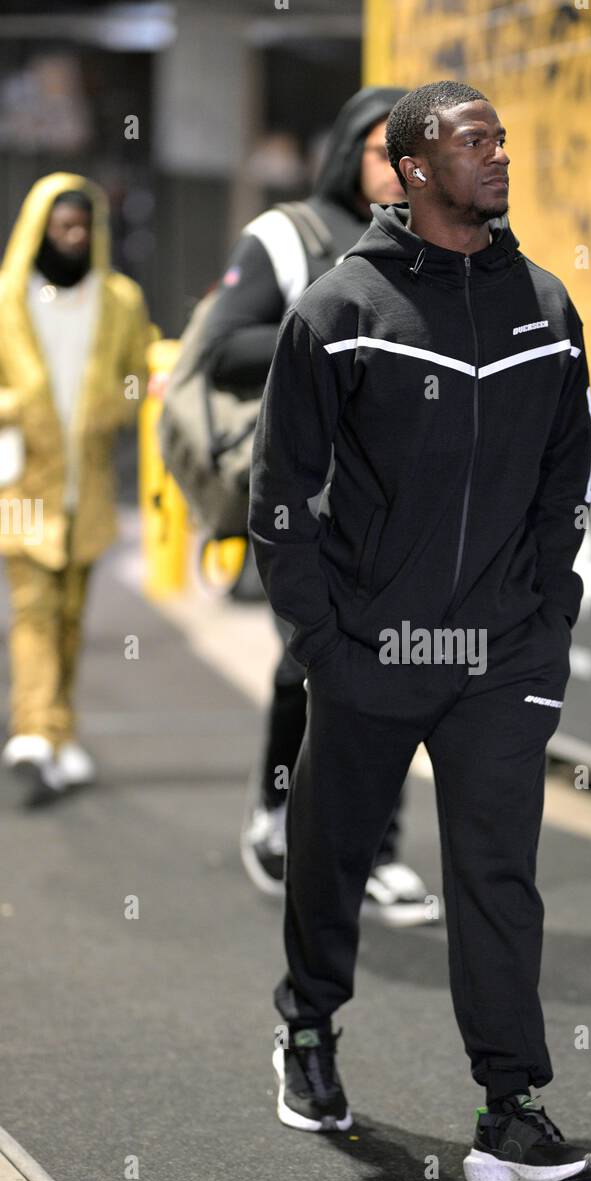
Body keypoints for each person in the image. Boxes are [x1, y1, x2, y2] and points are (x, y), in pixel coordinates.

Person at [250, 81, 591, 1181]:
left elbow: (565, 485)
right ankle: (307, 1030)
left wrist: (546, 623)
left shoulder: (543, 308)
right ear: (407, 165)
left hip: (501, 659)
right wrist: (324, 645)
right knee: (332, 855)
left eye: (502, 136)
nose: (499, 154)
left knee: (497, 877)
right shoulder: (339, 308)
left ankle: (510, 1110)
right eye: (471, 140)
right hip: (371, 650)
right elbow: (278, 495)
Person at [199, 86, 432, 925]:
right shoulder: (288, 237)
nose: (406, 167)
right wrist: (338, 325)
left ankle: (376, 849)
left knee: (400, 669)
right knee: (313, 664)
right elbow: (225, 346)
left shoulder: (443, 243)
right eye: (386, 150)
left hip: (410, 504)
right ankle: (276, 815)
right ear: (349, 152)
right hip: (311, 497)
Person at [0, 173, 153, 804]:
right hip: (23, 480)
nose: (72, 237)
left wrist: (109, 410)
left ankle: (58, 734)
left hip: (83, 485)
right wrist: (15, 405)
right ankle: (33, 732)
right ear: (37, 229)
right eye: (61, 227)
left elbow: (136, 377)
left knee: (69, 616)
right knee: (33, 609)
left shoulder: (118, 300)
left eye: (82, 227)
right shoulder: (8, 299)